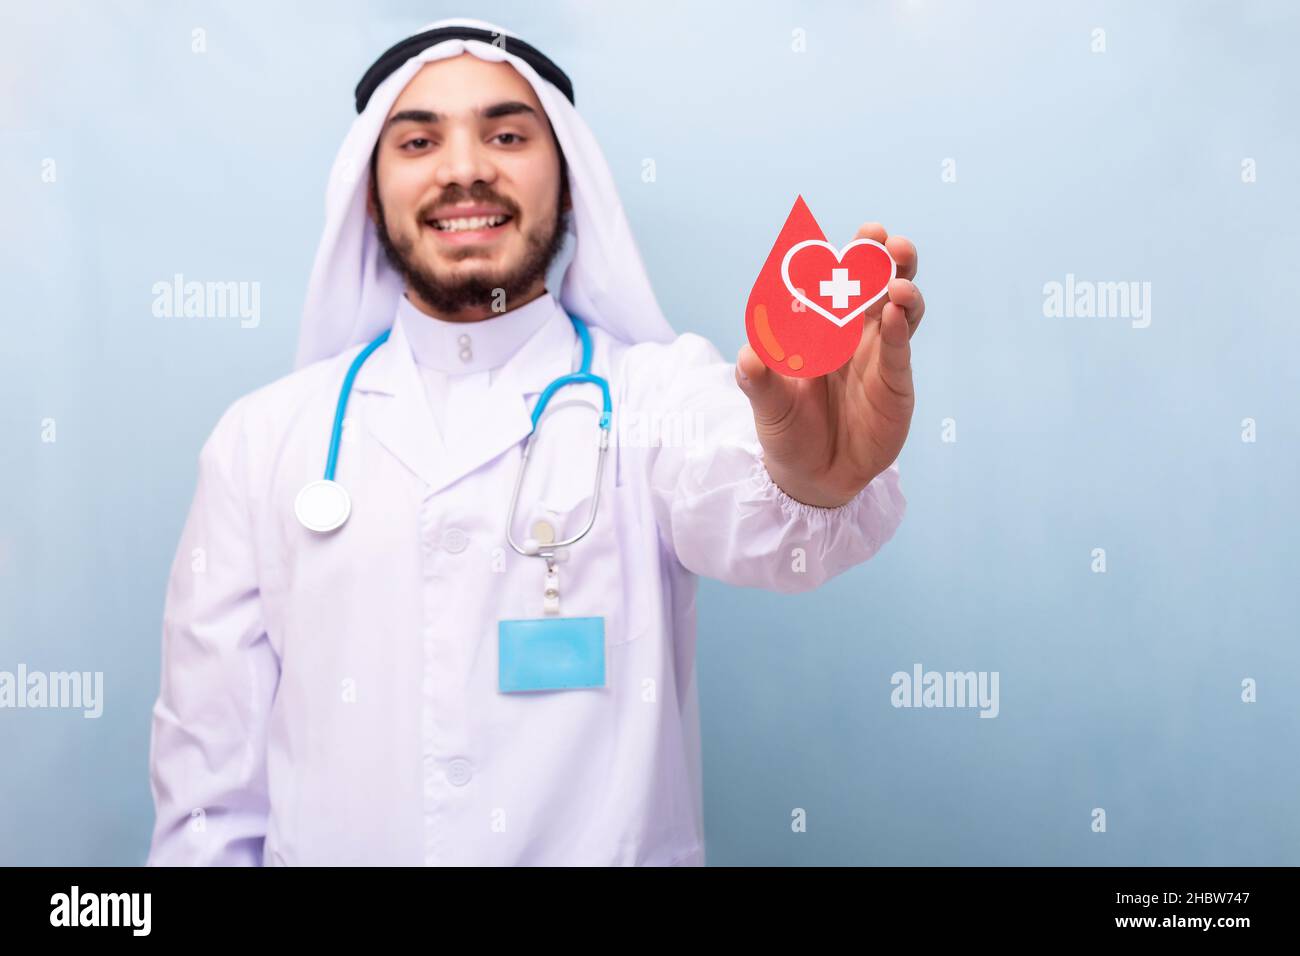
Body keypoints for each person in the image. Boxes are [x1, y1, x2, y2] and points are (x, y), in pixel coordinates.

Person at [145, 16, 925, 866]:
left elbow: (768, 518)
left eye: (508, 134)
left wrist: (813, 476)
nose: (466, 169)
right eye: (417, 142)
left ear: (570, 180)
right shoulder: (260, 443)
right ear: (370, 196)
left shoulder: (652, 397)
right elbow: (207, 808)